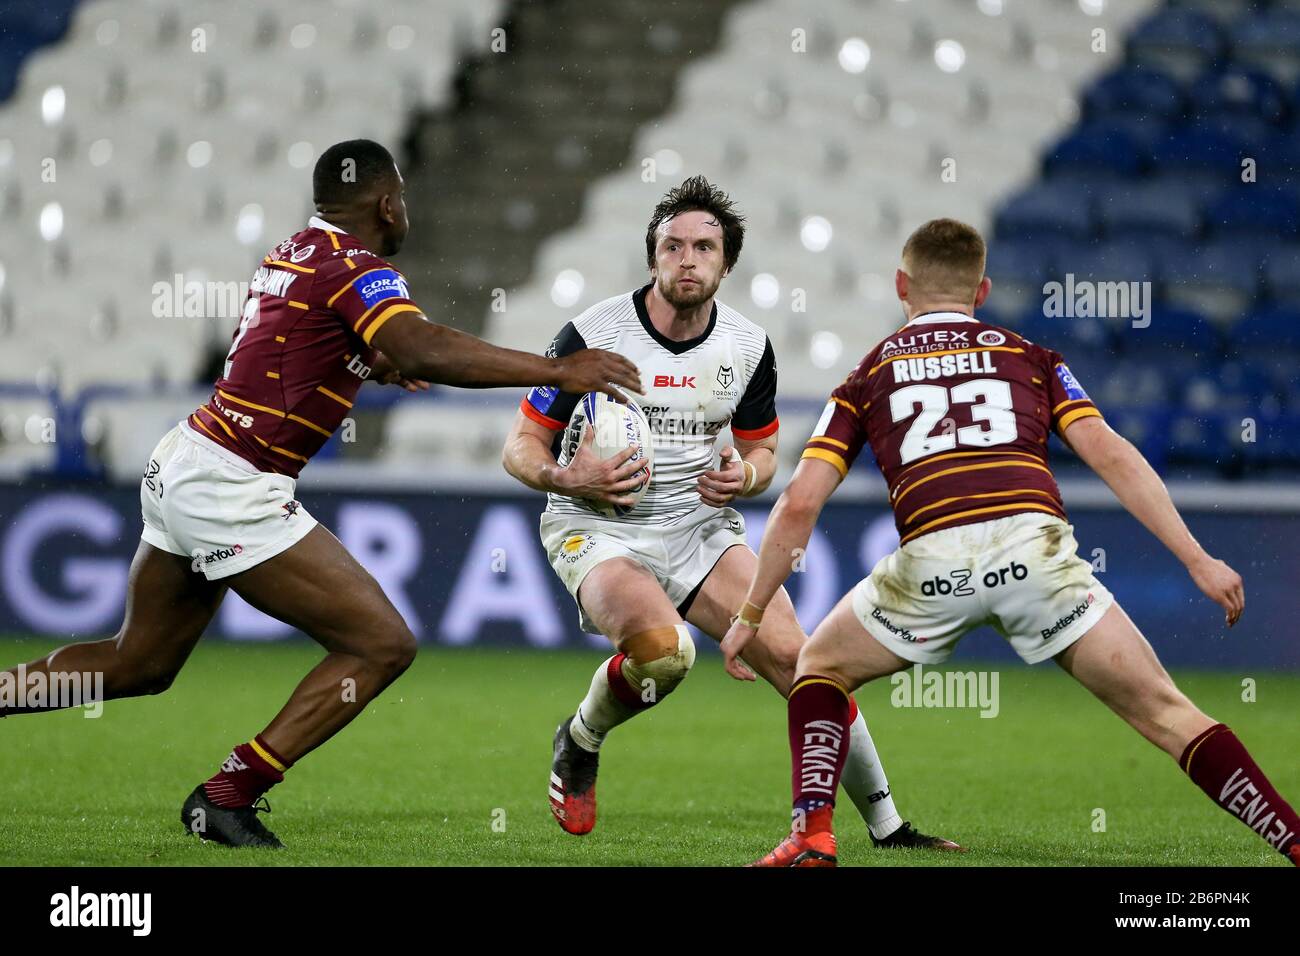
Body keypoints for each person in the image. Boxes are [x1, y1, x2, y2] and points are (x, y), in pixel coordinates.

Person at [0, 139, 642, 849]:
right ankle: (228, 793)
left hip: (190, 456)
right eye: (403, 200)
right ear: (388, 203)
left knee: (139, 663)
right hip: (231, 483)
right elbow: (421, 344)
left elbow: (291, 344)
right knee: (380, 644)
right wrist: (557, 368)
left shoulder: (297, 250)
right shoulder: (355, 267)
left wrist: (363, 361)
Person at [721, 217, 1298, 867]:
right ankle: (1293, 840)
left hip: (932, 563)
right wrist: (1198, 558)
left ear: (901, 285)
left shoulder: (867, 375)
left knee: (819, 670)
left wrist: (750, 613)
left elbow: (799, 503)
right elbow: (1111, 454)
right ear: (984, 289)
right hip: (1035, 556)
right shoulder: (1031, 358)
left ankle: (814, 838)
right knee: (1168, 713)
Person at [503, 176, 958, 851]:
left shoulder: (747, 347)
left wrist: (743, 474)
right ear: (653, 256)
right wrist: (565, 474)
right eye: (673, 246)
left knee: (808, 663)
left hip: (700, 530)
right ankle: (581, 738)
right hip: (599, 527)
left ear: (726, 263)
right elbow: (520, 446)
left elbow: (765, 451)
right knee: (666, 657)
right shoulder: (594, 334)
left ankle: (889, 827)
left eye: (704, 248)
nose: (687, 259)